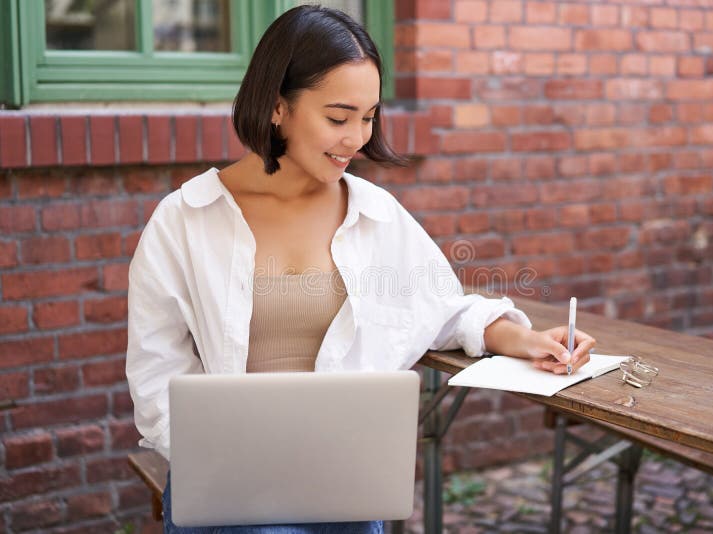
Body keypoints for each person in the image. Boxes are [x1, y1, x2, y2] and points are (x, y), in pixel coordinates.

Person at [126, 5, 595, 533]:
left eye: (369, 116)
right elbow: (154, 369)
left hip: (341, 483)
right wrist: (211, 456)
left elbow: (445, 308)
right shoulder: (185, 220)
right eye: (338, 117)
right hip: (230, 483)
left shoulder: (375, 214)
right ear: (278, 106)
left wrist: (524, 339)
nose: (357, 138)